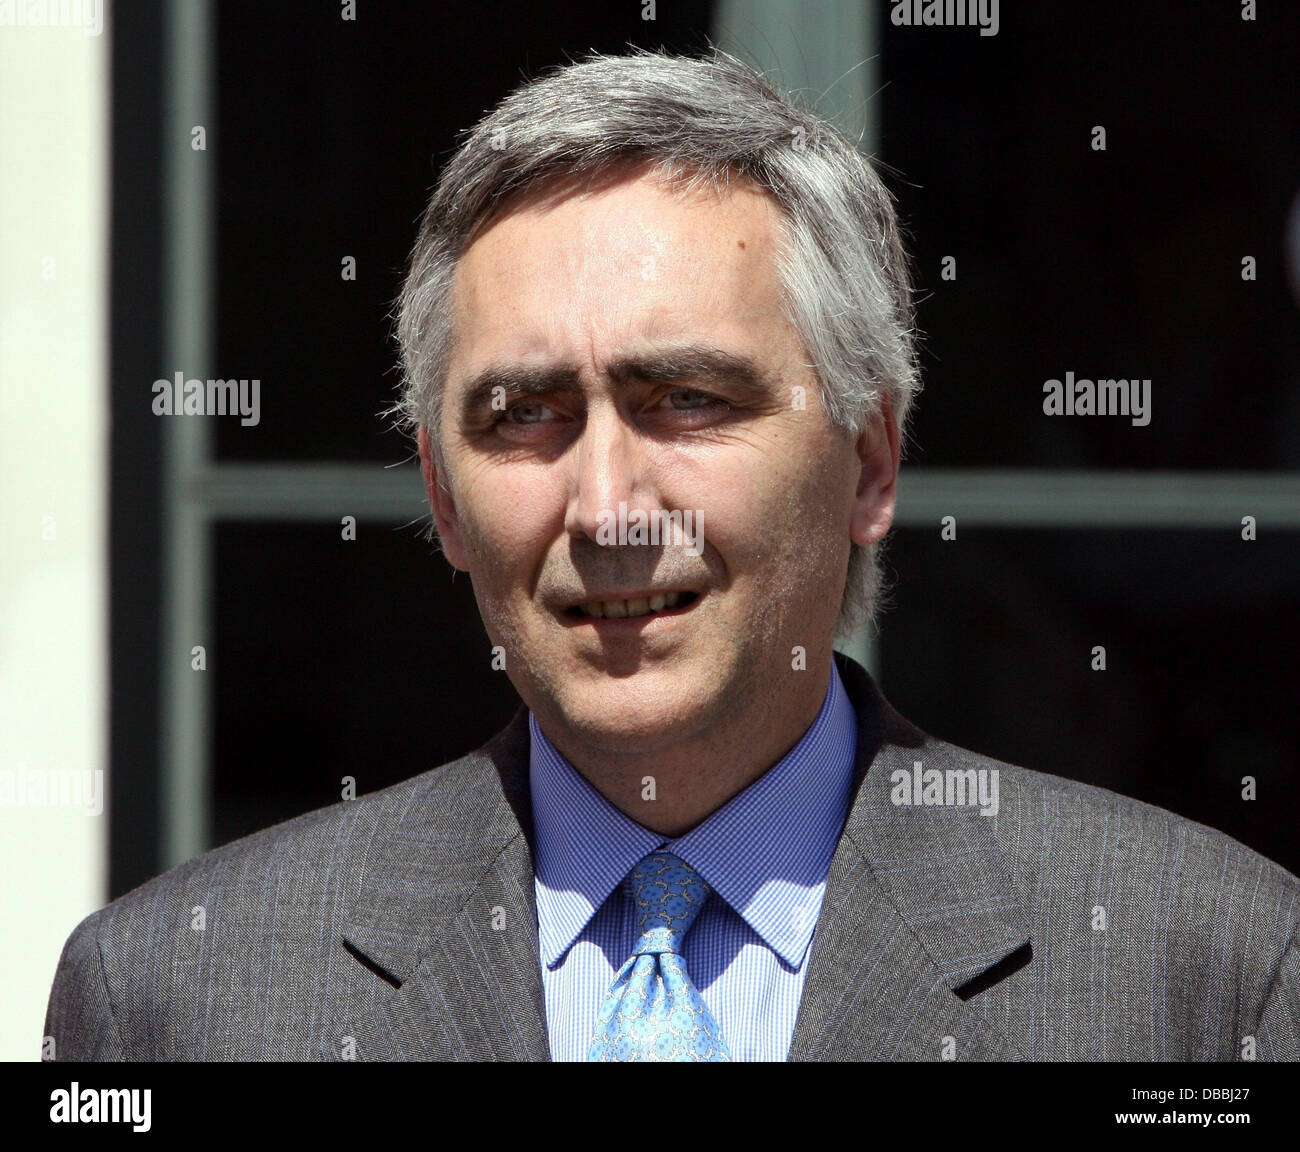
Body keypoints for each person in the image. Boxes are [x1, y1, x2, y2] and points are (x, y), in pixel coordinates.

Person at [45, 49, 1298, 1062]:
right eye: (522, 415)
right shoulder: (175, 998)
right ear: (439, 491)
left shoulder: (1197, 972)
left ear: (869, 464)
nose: (606, 509)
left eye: (688, 399)